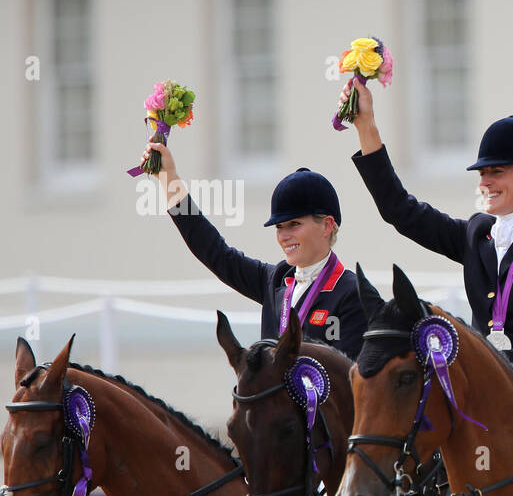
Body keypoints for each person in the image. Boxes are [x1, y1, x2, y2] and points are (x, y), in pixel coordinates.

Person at [345, 82, 513, 431]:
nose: (485, 182)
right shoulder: (477, 234)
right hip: (479, 399)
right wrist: (366, 126)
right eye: (482, 174)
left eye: (497, 172)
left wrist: (484, 363)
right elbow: (400, 210)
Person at [142, 143, 366, 358]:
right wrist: (168, 177)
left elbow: (350, 384)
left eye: (294, 224)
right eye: (279, 227)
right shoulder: (275, 280)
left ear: (326, 225)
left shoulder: (354, 295)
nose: (284, 236)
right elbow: (214, 251)